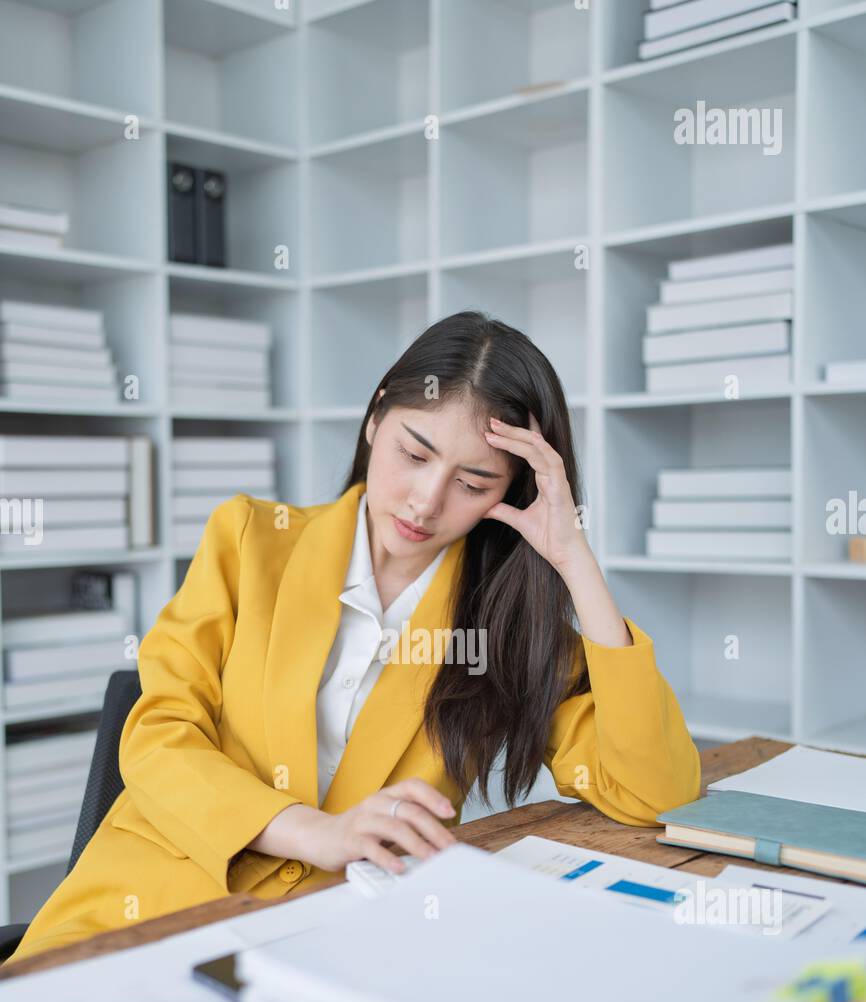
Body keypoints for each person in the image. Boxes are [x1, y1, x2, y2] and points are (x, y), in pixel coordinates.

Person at [5, 312, 701, 965]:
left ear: (512, 495)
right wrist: (316, 832)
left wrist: (573, 559)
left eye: (474, 481)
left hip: (332, 942)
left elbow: (654, 793)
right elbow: (157, 737)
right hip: (146, 905)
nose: (426, 501)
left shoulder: (508, 627)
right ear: (375, 419)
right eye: (415, 452)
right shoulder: (250, 540)